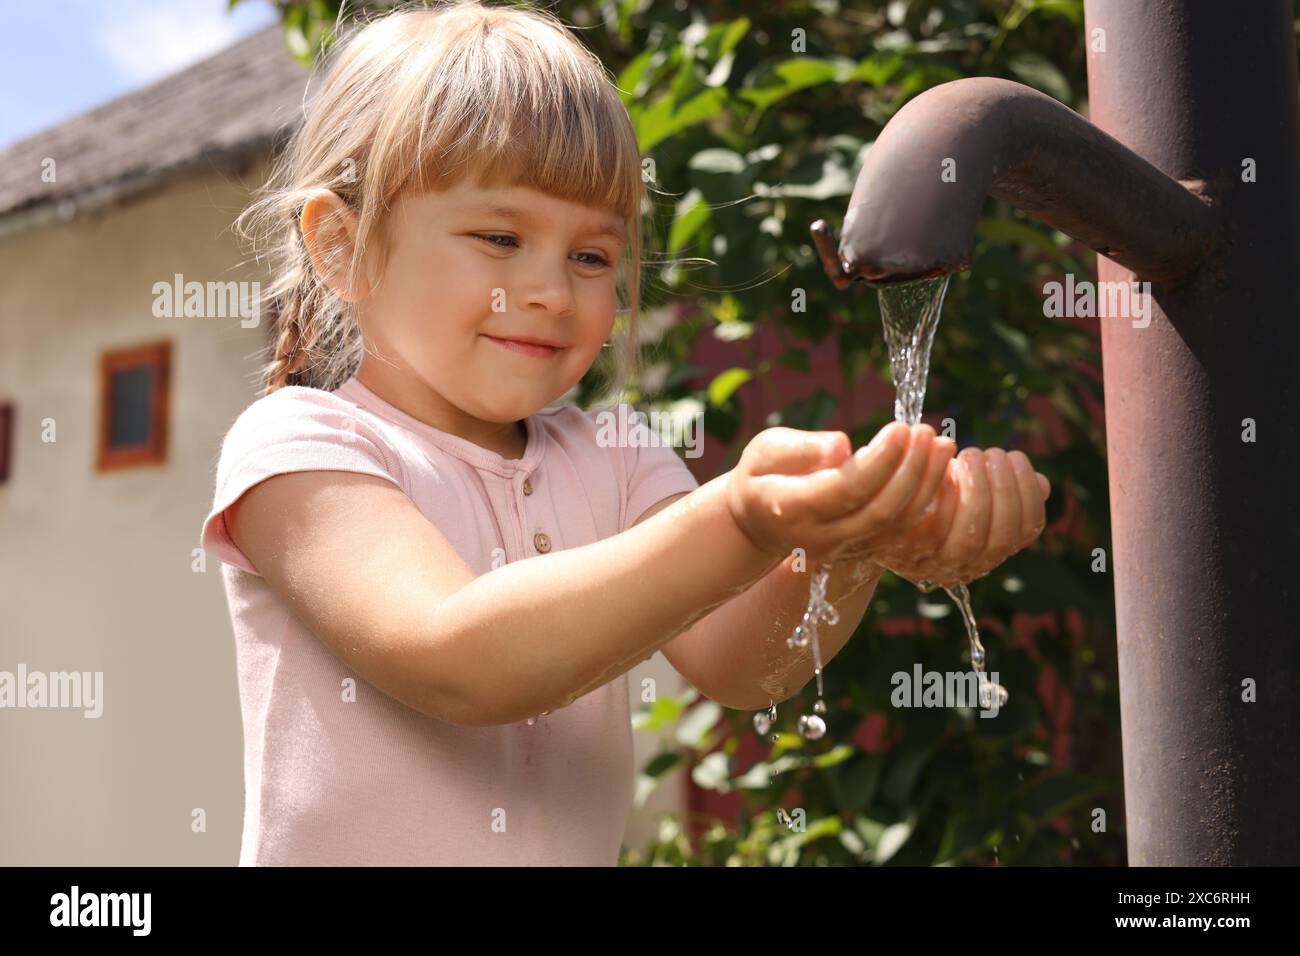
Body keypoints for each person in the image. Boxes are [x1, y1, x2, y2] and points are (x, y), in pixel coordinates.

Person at [200, 0, 1050, 866]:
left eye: (592, 256)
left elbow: (741, 666)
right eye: (500, 236)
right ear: (344, 247)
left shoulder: (612, 454)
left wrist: (848, 541)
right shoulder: (302, 447)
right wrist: (743, 521)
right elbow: (457, 655)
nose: (551, 291)